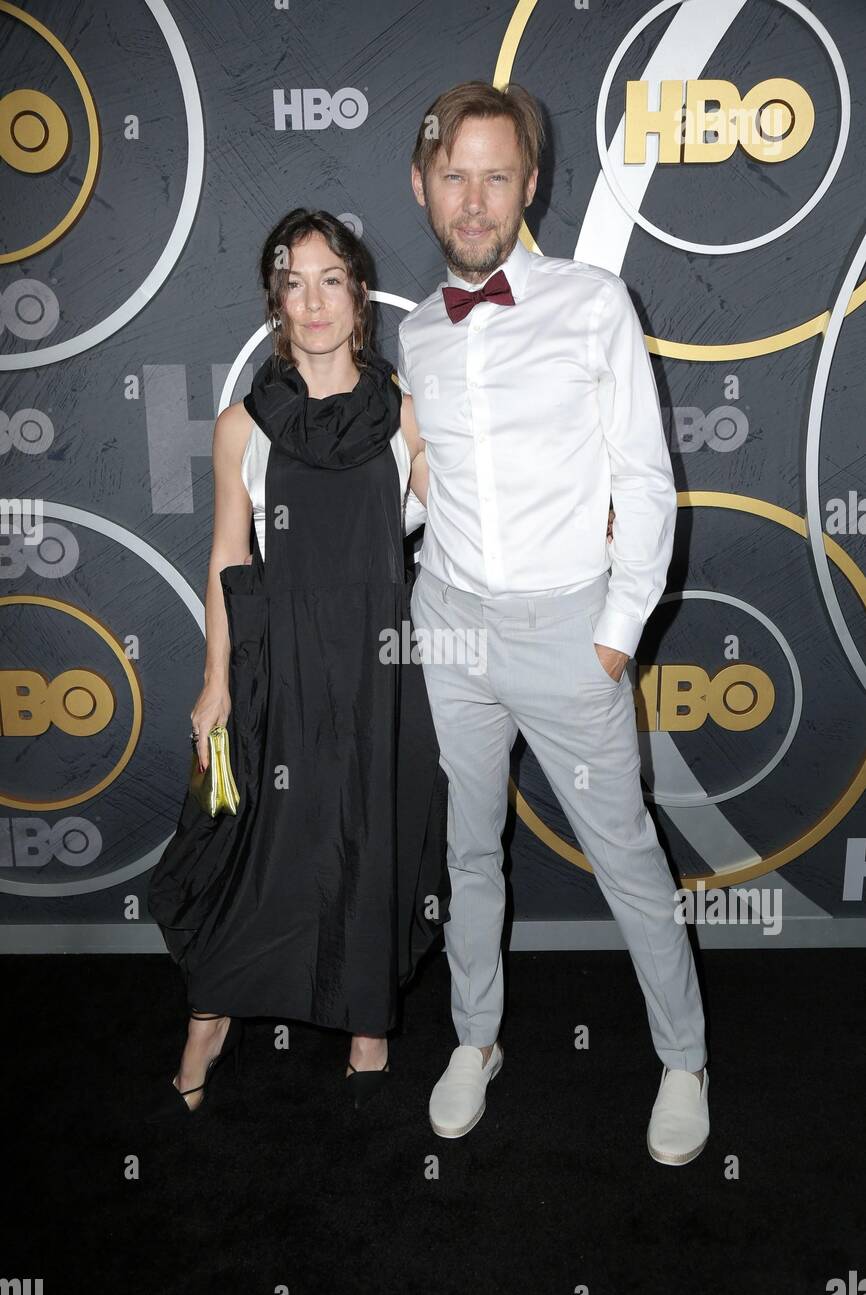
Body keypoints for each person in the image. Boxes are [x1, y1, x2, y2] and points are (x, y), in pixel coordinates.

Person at [397, 81, 709, 1163]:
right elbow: (423, 486)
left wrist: (615, 634)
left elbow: (645, 477)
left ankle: (681, 1058)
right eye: (453, 175)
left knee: (626, 856)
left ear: (528, 184)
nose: (472, 199)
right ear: (421, 186)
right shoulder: (416, 341)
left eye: (495, 174)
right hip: (450, 628)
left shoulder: (591, 301)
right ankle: (473, 1041)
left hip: (570, 635)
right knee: (466, 853)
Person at [147, 209, 450, 1113]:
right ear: (276, 301)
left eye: (331, 279)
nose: (313, 300)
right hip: (278, 670)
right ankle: (215, 1012)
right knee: (257, 849)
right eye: (294, 281)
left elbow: (470, 532)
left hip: (381, 670)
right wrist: (213, 683)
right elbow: (228, 560)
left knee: (372, 834)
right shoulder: (244, 424)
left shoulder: (405, 416)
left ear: (358, 296)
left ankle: (366, 1020)